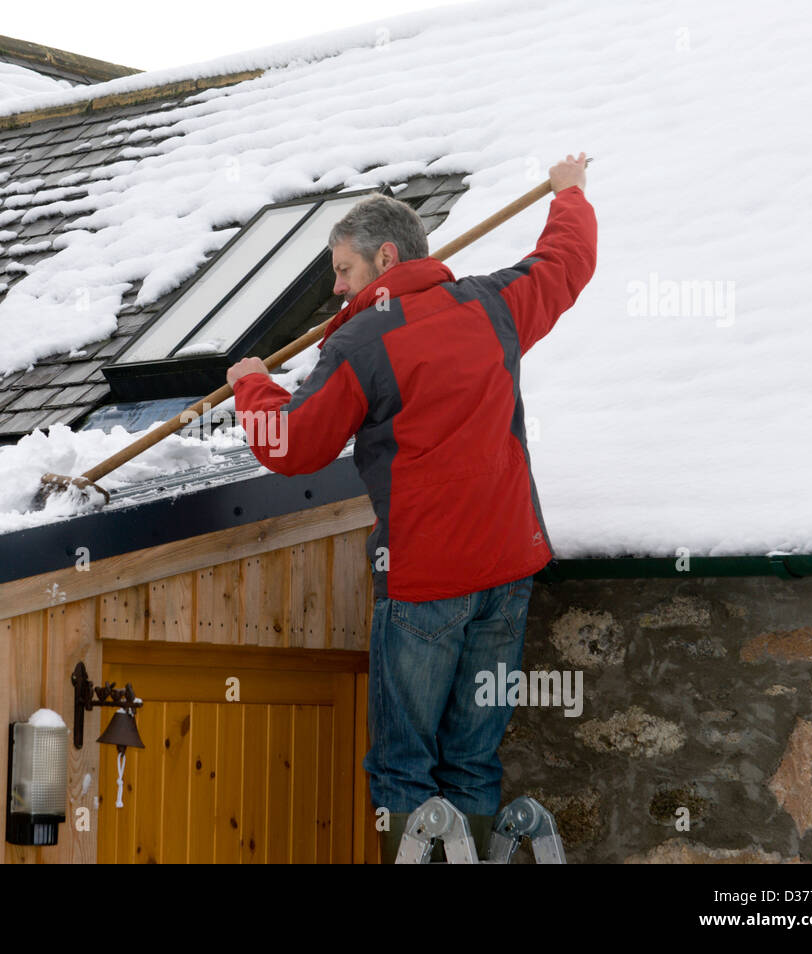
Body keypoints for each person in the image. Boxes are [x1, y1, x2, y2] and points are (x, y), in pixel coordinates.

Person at [227, 154, 596, 863]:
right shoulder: (491, 305)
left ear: (385, 256)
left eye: (343, 270)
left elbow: (293, 443)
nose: (336, 289)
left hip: (425, 583)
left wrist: (252, 387)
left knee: (403, 769)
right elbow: (566, 263)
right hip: (508, 575)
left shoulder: (361, 341)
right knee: (472, 765)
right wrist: (570, 194)